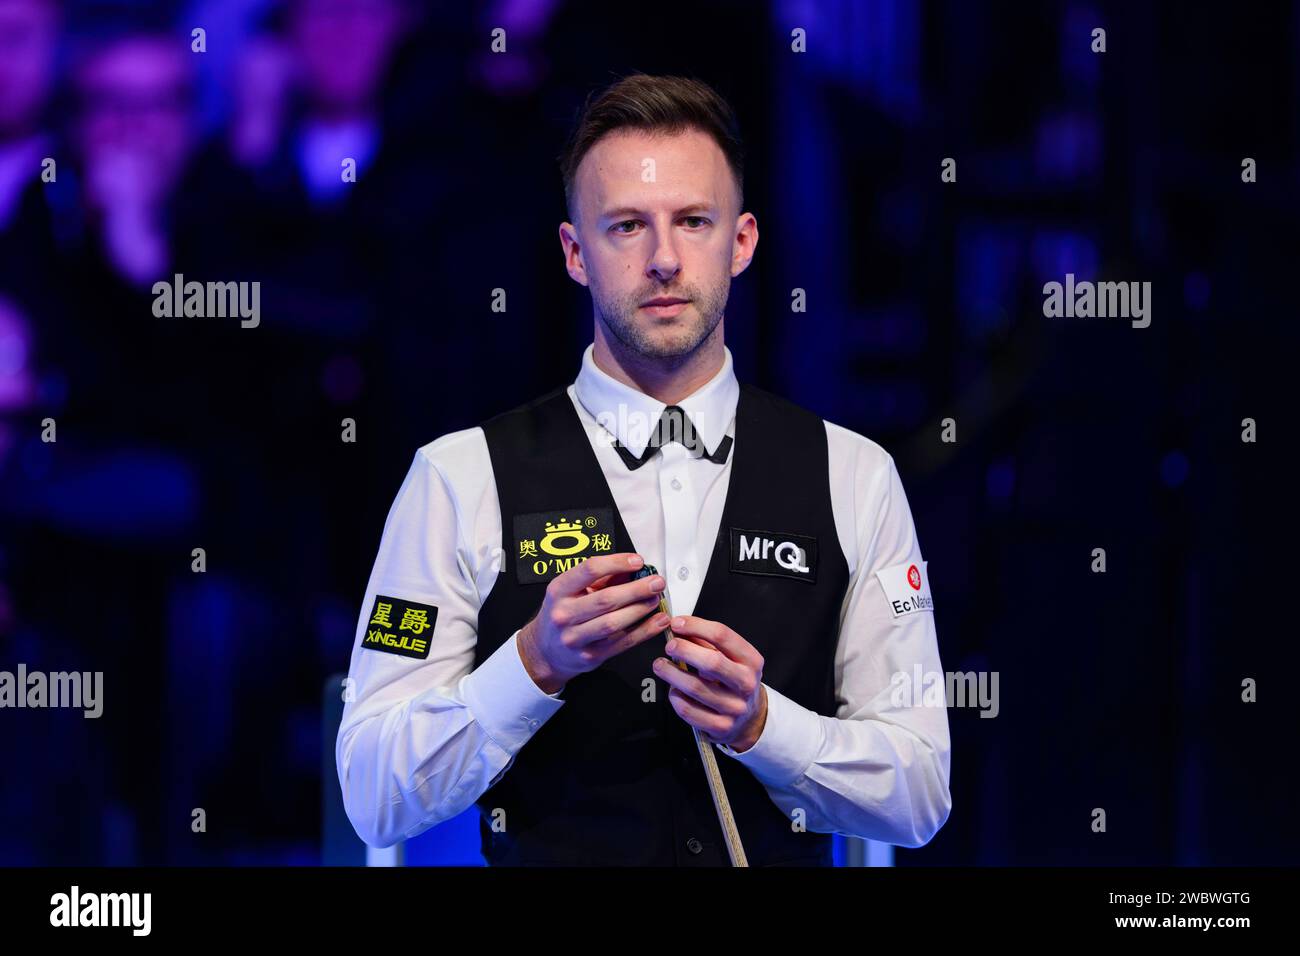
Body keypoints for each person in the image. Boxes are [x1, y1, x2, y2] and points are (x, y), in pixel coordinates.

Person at [336, 73, 951, 866]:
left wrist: (765, 726)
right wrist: (531, 666)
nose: (664, 259)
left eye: (693, 221)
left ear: (742, 242)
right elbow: (370, 795)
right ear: (574, 253)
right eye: (626, 226)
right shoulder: (457, 478)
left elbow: (922, 792)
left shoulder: (855, 475)